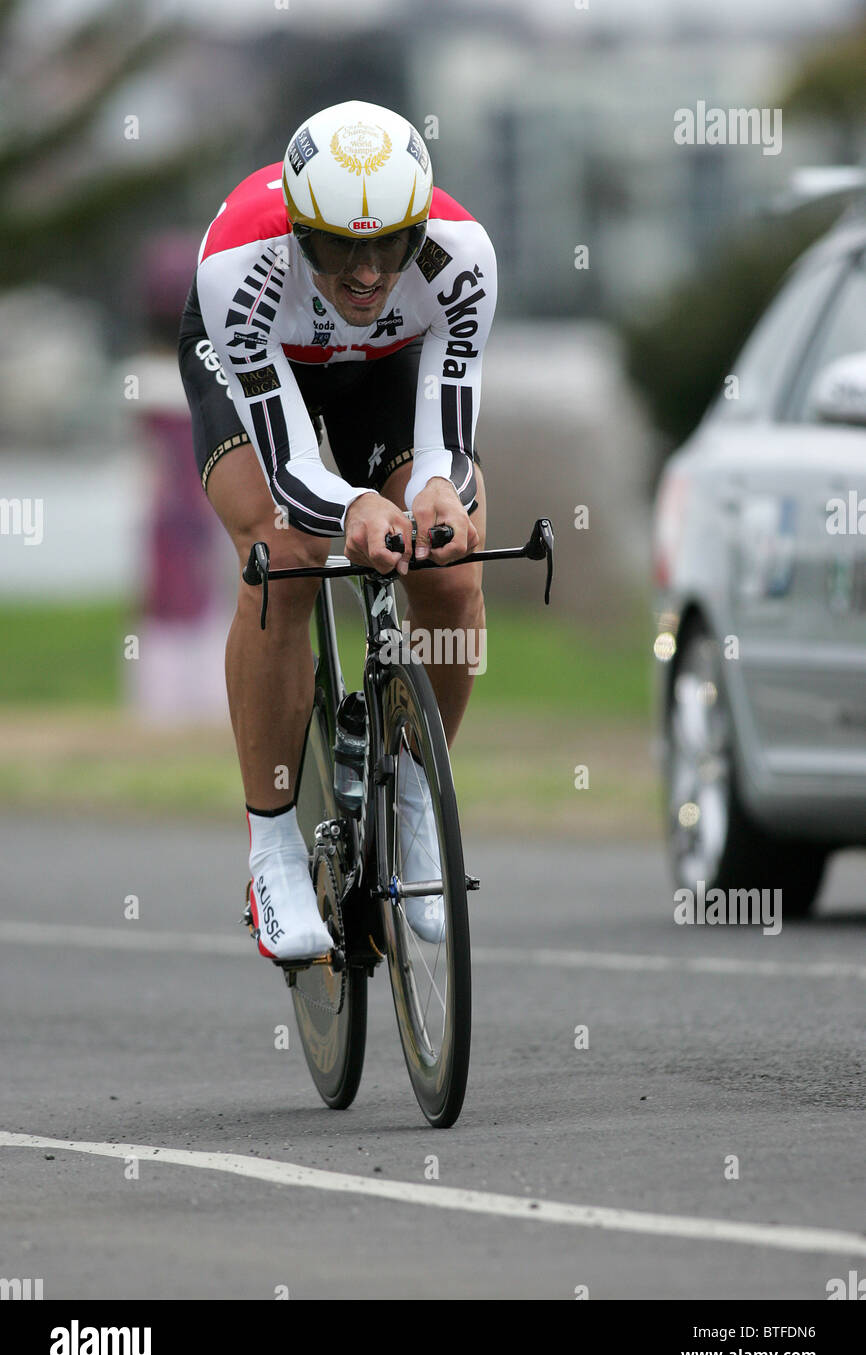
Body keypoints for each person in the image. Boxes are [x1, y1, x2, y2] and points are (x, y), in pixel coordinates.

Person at [177, 99, 496, 964]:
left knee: (452, 567)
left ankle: (419, 799)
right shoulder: (243, 264)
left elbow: (448, 445)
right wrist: (356, 508)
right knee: (281, 555)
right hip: (258, 362)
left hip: (385, 372)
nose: (363, 273)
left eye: (388, 245)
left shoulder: (462, 259)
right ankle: (272, 847)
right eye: (336, 247)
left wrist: (433, 497)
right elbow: (288, 470)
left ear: (419, 231)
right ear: (295, 228)